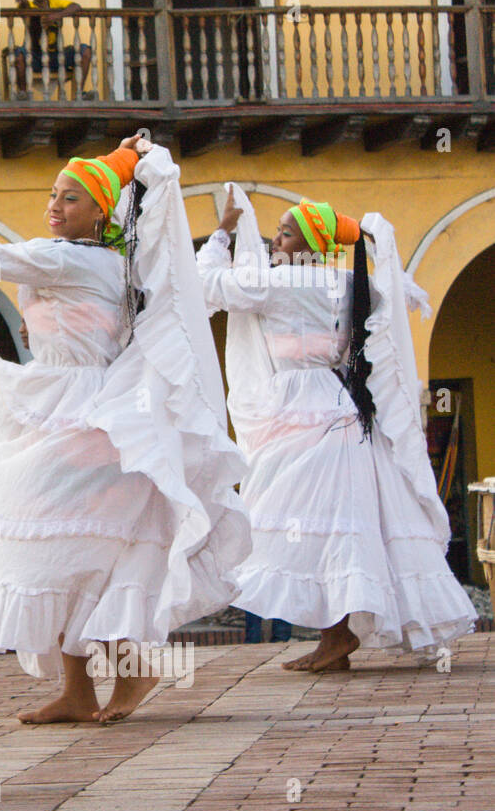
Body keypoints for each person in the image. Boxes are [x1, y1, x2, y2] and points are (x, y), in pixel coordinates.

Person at [0, 136, 250, 724]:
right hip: (62, 400)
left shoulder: (76, 258)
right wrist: (119, 158)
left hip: (84, 412)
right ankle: (79, 689)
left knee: (61, 538)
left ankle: (130, 670)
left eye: (73, 197)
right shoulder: (106, 261)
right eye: (54, 194)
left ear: (101, 214)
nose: (56, 205)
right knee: (70, 549)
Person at [198, 186, 476, 671]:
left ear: (310, 245)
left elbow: (208, 285)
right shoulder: (348, 281)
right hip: (339, 410)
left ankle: (337, 636)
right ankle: (335, 636)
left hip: (301, 413)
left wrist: (223, 230)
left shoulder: (279, 284)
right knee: (334, 528)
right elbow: (404, 290)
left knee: (299, 522)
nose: (275, 242)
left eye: (285, 234)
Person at [13, 0, 93, 99]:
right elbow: (23, 8)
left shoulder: (55, 3)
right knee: (18, 53)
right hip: (35, 57)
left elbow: (76, 6)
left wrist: (57, 15)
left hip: (56, 57)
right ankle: (23, 94)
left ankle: (79, 93)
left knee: (85, 50)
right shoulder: (27, 5)